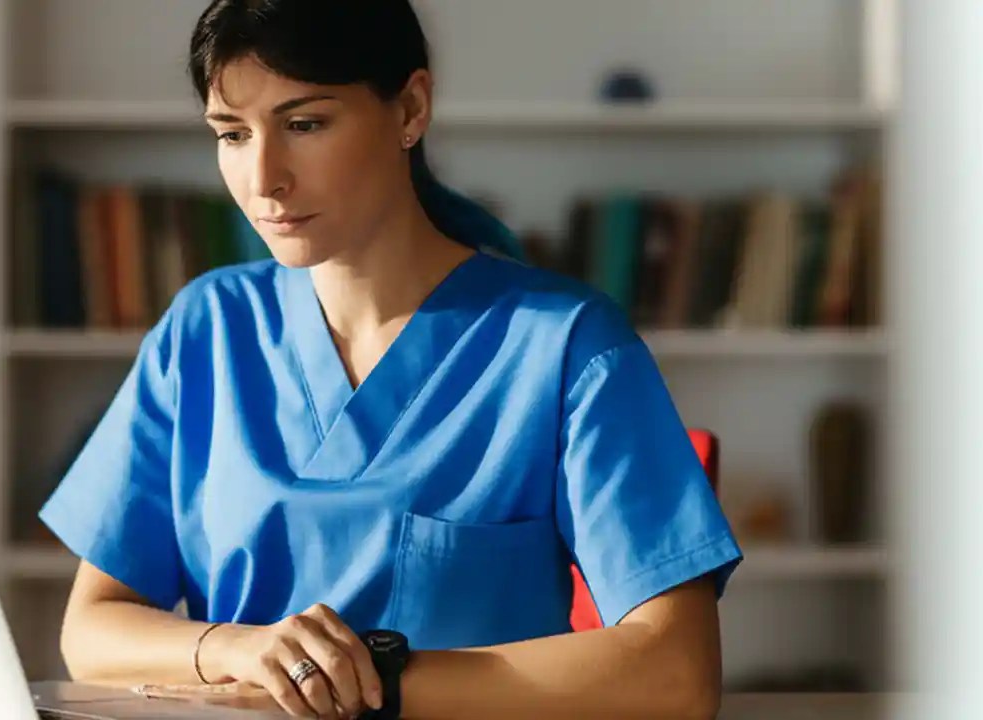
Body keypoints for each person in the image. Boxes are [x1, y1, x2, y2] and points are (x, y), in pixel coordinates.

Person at [38, 1, 743, 718]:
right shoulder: (206, 328)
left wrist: (367, 679)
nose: (264, 178)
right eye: (232, 133)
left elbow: (676, 673)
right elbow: (91, 630)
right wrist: (235, 650)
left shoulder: (566, 344)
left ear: (410, 108)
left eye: (305, 124)